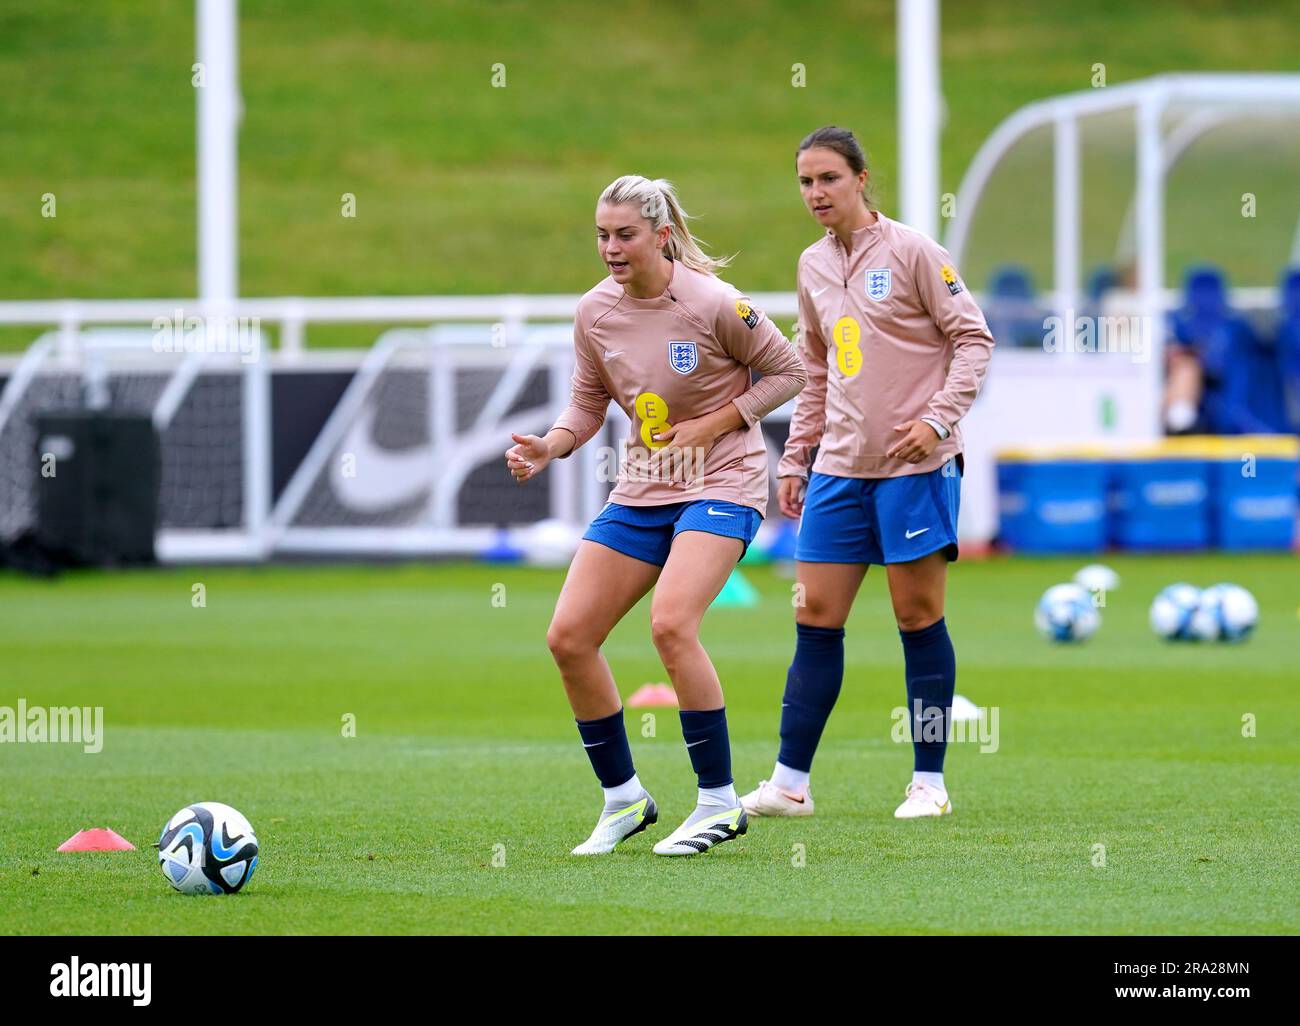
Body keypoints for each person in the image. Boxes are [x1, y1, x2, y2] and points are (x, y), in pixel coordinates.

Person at [506, 174, 807, 855]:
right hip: (644, 487)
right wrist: (549, 447)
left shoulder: (714, 303)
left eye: (624, 235)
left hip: (724, 482)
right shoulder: (594, 312)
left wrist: (719, 421)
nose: (610, 248)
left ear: (661, 235)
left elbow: (790, 372)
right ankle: (623, 800)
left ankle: (718, 803)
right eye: (602, 236)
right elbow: (587, 404)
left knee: (671, 624)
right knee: (569, 636)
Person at [739, 126, 995, 821]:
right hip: (838, 469)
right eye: (804, 182)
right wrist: (797, 456)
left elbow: (973, 338)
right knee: (815, 615)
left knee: (917, 616)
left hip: (916, 467)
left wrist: (938, 420)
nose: (816, 193)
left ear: (860, 179)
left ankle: (929, 783)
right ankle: (790, 784)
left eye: (828, 178)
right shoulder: (811, 265)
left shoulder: (913, 251)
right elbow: (815, 368)